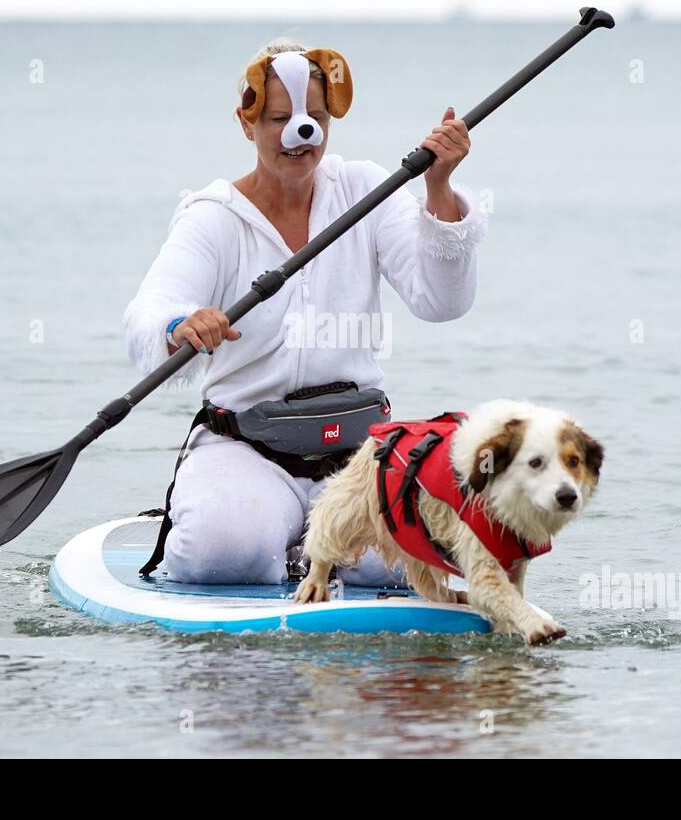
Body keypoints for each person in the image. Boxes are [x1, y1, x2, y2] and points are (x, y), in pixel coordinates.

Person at [122, 38, 489, 584]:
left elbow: (442, 303)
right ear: (246, 124)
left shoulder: (367, 189)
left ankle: (306, 546)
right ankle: (253, 531)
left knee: (415, 566)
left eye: (315, 116)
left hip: (357, 451)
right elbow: (149, 310)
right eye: (278, 119)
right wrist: (180, 324)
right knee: (224, 555)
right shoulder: (213, 217)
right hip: (245, 446)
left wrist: (439, 188)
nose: (300, 134)